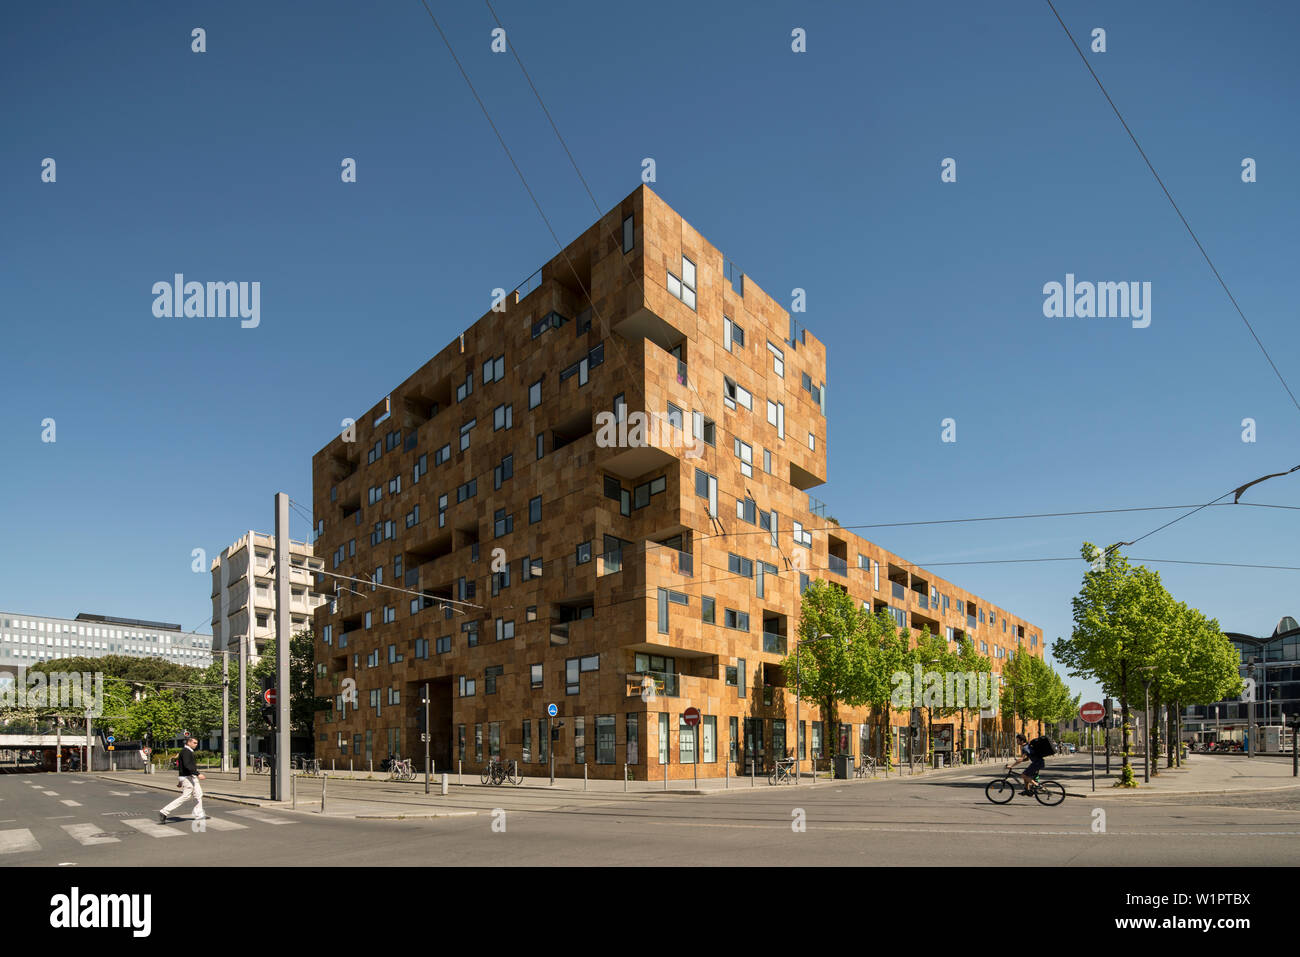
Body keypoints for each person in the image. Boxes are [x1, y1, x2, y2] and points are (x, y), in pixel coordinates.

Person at [159, 738, 205, 823]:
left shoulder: (187, 751)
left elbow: (182, 767)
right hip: (188, 777)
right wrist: (198, 774)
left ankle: (198, 814)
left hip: (190, 777)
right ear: (189, 742)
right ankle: (164, 811)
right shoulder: (186, 752)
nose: (196, 744)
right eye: (194, 743)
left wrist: (180, 781)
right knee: (186, 796)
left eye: (197, 743)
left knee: (198, 794)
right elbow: (187, 766)